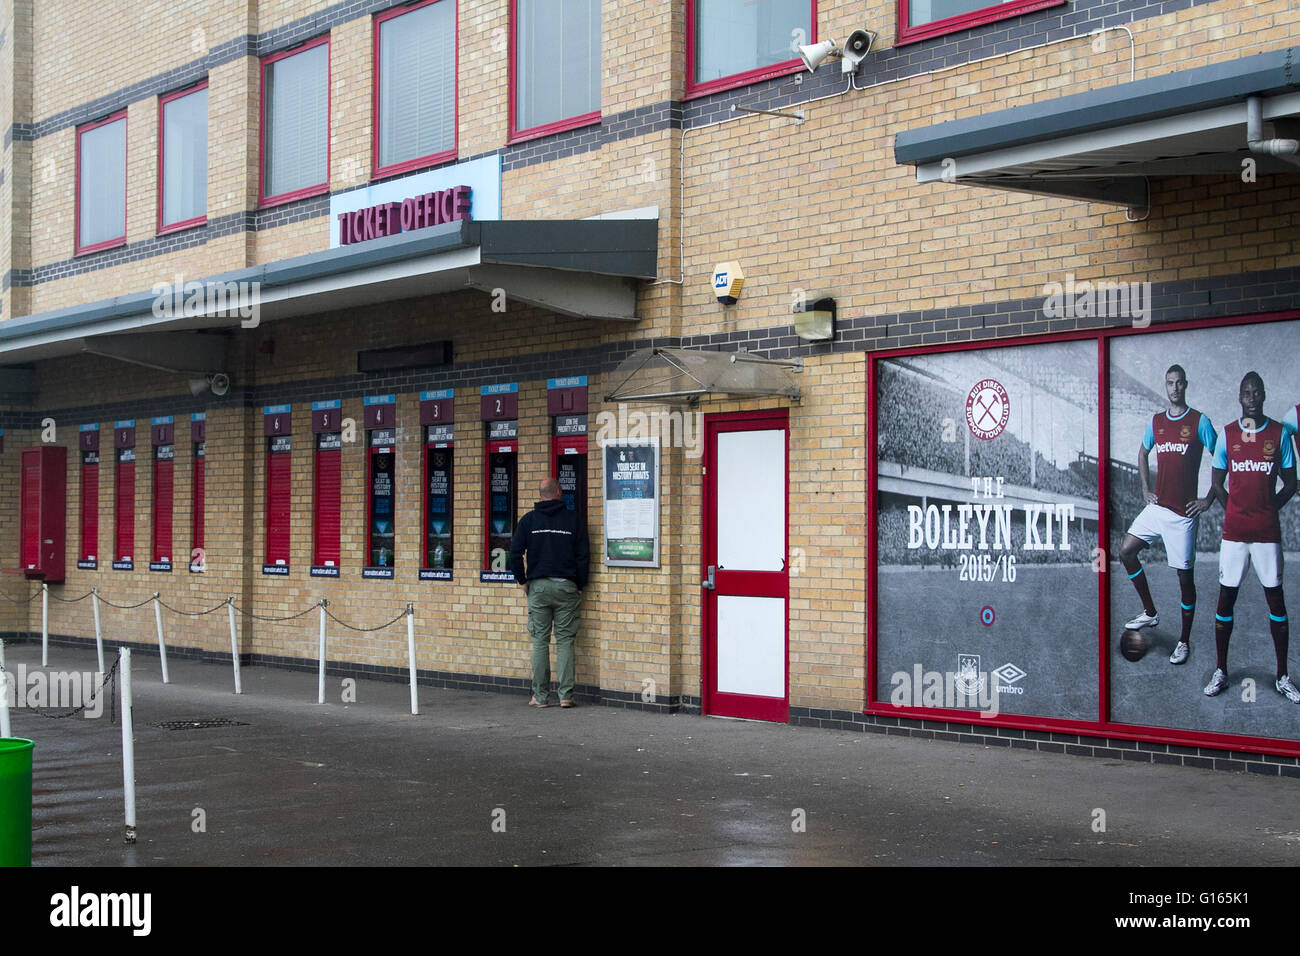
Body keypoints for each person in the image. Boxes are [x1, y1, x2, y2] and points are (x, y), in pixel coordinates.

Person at [1203, 372, 1299, 702]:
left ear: (1264, 395)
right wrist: (1235, 510)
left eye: (1257, 392)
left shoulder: (1279, 433)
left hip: (1267, 534)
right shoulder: (1227, 434)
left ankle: (1283, 676)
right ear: (1240, 397)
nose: (1253, 397)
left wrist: (1269, 508)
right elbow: (1217, 483)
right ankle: (1221, 671)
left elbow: (1291, 483)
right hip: (1234, 535)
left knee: (1276, 601)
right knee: (1225, 600)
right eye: (1247, 392)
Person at [1117, 365, 1217, 665]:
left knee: (1185, 580)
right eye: (1169, 383)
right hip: (1157, 507)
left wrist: (1208, 499)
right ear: (1166, 386)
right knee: (1126, 552)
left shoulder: (1199, 421)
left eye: (1179, 383)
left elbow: (1221, 458)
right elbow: (1142, 453)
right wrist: (1146, 489)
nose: (1174, 388)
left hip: (1184, 514)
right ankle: (1150, 612)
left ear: (1186, 385)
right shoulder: (1157, 421)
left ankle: (1183, 642)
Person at [509, 476, 590, 708]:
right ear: (559, 492)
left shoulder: (528, 521)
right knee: (565, 641)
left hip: (539, 587)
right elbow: (583, 556)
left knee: (540, 641)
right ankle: (566, 695)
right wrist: (580, 585)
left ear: (541, 494)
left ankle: (541, 697)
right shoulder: (574, 520)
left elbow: (514, 554)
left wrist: (522, 580)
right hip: (567, 586)